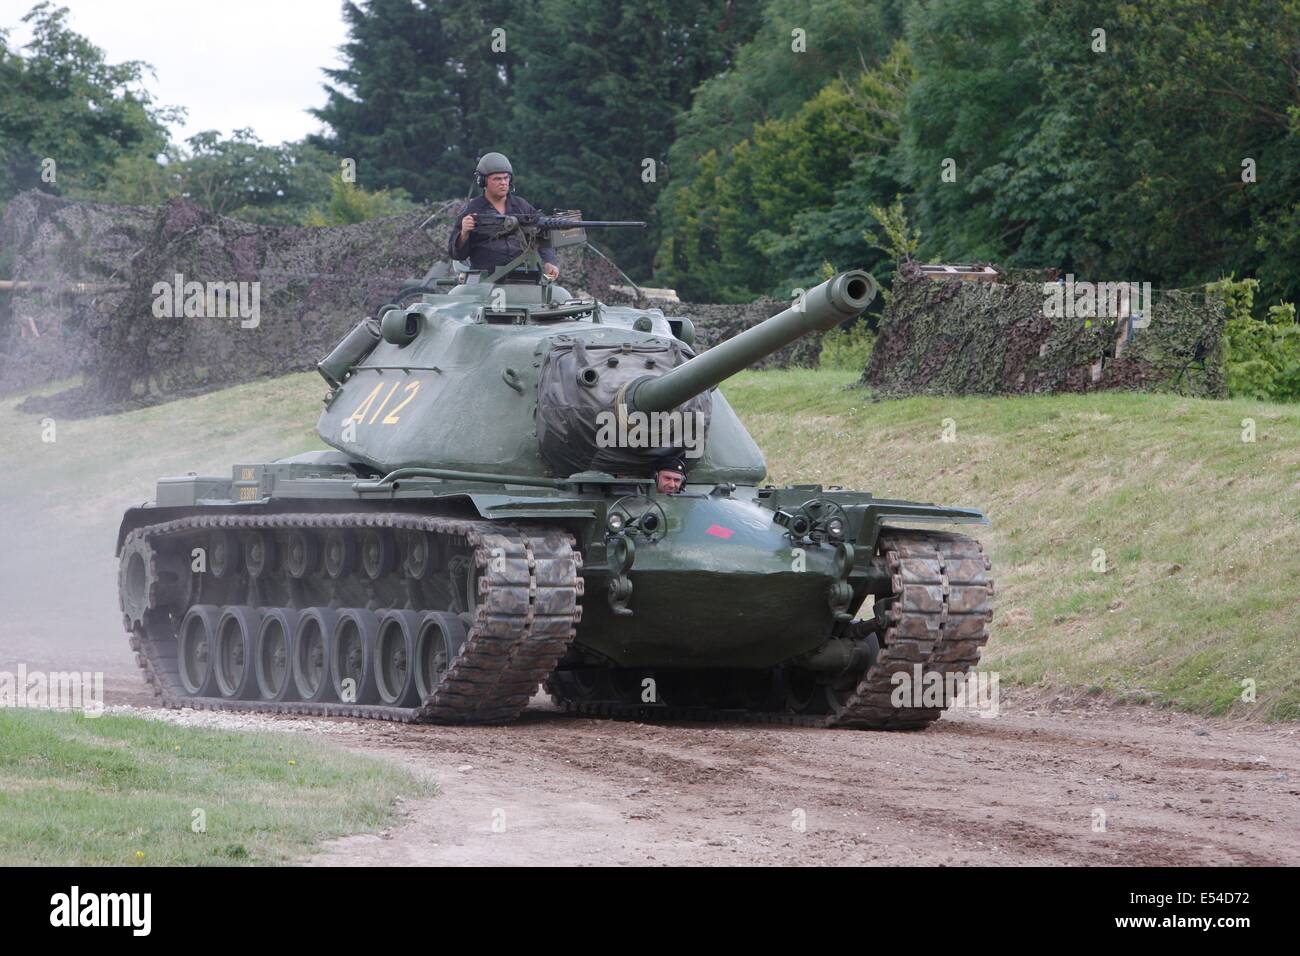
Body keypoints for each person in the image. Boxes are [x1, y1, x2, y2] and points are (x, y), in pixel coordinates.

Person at [448, 152, 560, 279]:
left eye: (506, 178)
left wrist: (549, 262)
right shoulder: (473, 209)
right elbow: (457, 254)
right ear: (483, 181)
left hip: (524, 278)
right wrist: (464, 233)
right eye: (497, 179)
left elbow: (542, 235)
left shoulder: (522, 206)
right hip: (486, 281)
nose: (503, 183)